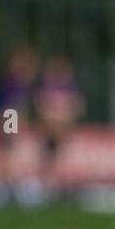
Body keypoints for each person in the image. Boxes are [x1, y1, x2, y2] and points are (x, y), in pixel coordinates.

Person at [0, 44, 38, 203]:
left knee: (9, 152)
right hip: (10, 115)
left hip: (11, 116)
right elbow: (10, 109)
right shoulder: (11, 85)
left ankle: (8, 186)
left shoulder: (16, 85)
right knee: (8, 152)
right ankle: (7, 187)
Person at [33, 55, 85, 199]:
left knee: (59, 156)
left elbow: (77, 106)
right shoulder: (14, 86)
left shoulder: (68, 87)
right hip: (46, 130)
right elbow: (9, 112)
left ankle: (58, 186)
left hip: (60, 130)